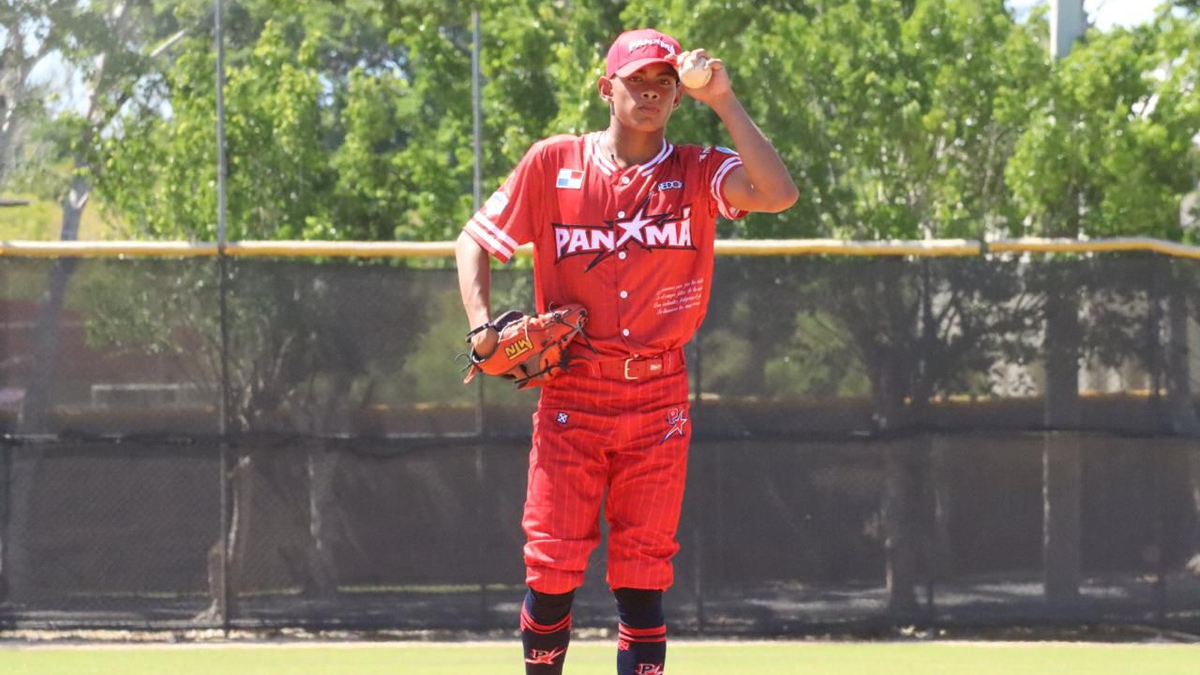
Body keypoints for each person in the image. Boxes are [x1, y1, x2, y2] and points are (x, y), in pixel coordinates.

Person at [455, 27, 797, 675]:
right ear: (605, 88)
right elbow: (475, 240)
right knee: (552, 568)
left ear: (678, 97)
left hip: (660, 396)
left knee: (643, 577)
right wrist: (480, 326)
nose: (650, 92)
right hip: (573, 390)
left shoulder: (699, 169)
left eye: (663, 83)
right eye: (635, 81)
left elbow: (778, 194)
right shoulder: (553, 163)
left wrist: (723, 100)